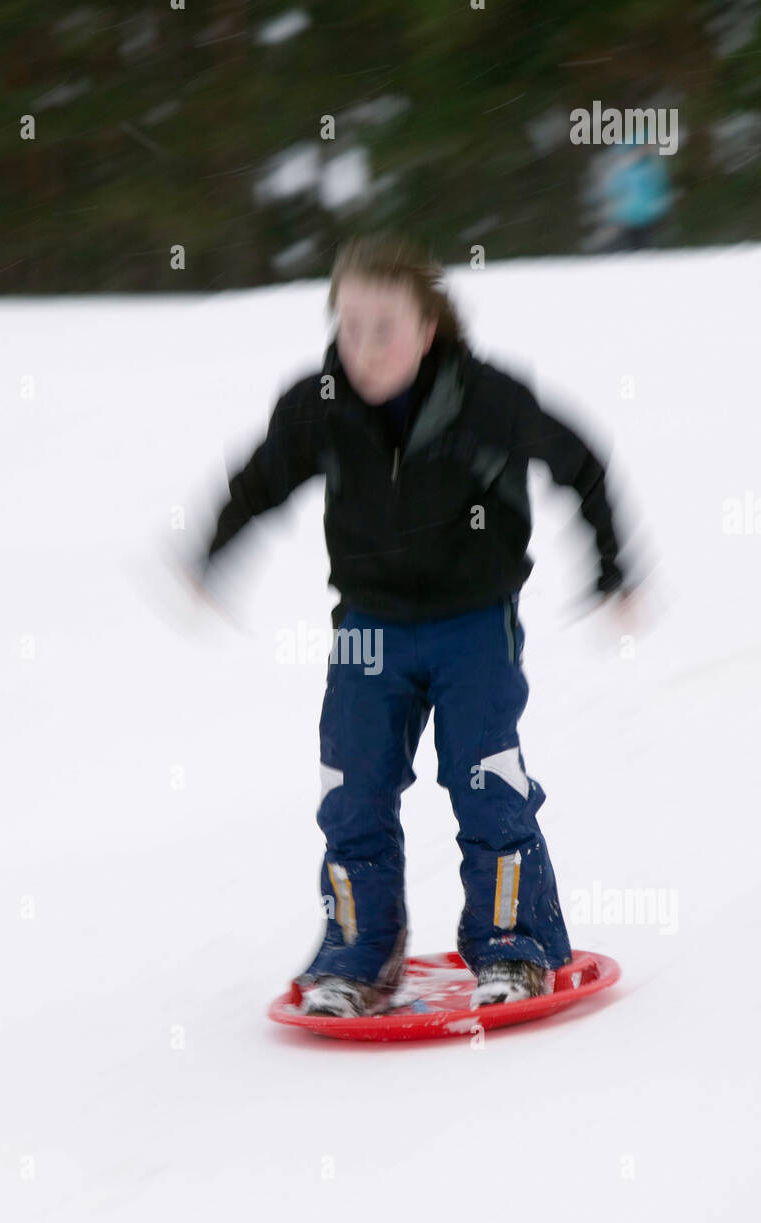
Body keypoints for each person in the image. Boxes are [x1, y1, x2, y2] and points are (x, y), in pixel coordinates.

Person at [190, 233, 635, 1018]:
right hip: (370, 626)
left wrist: (613, 568)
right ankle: (358, 955)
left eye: (384, 327)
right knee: (352, 789)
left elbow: (581, 464)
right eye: (350, 326)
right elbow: (261, 477)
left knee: (485, 777)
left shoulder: (485, 397)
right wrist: (213, 553)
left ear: (427, 329)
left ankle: (514, 947)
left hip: (473, 624)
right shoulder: (319, 405)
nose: (363, 347)